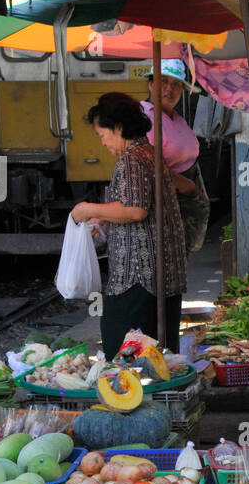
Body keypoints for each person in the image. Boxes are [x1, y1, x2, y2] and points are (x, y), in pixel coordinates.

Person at [70, 93, 185, 358]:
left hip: (139, 275)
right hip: (162, 272)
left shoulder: (132, 159)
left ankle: (127, 396)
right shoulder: (149, 153)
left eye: (103, 135)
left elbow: (135, 209)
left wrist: (88, 210)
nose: (103, 143)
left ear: (119, 129)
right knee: (158, 352)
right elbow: (135, 203)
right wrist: (105, 217)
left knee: (119, 341)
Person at [140, 58, 208, 251]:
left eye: (176, 84)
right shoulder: (144, 117)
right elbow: (147, 164)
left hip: (186, 206)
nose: (170, 89)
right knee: (167, 264)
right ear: (151, 84)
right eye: (163, 81)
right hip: (166, 204)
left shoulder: (176, 118)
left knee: (178, 265)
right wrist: (187, 187)